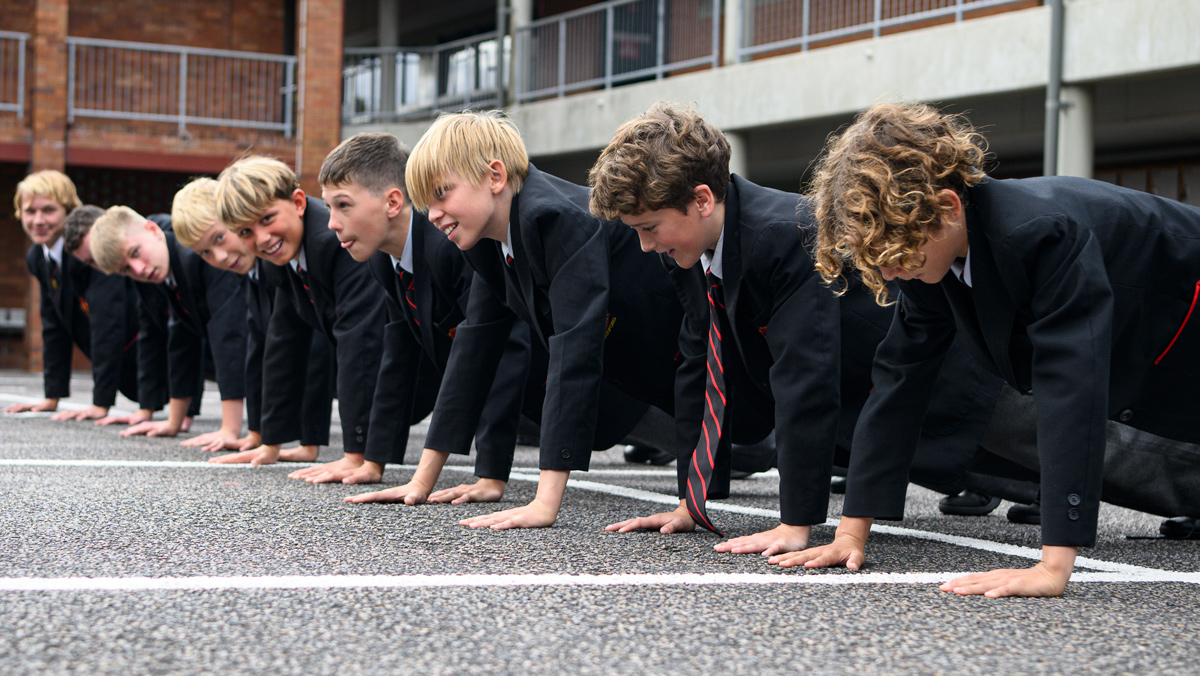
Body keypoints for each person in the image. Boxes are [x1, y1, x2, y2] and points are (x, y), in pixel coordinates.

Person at [790, 101, 1200, 597]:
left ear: (947, 207)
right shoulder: (933, 254)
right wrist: (850, 534)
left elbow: (1069, 387)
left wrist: (1052, 567)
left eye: (895, 253)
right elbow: (899, 379)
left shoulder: (1041, 233)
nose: (888, 272)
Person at [590, 102, 1004, 553]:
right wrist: (691, 502)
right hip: (874, 414)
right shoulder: (689, 249)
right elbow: (699, 366)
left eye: (649, 228)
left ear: (702, 200)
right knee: (991, 477)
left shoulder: (783, 234)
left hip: (960, 393)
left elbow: (804, 377)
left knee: (1053, 466)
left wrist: (795, 523)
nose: (645, 246)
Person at [404, 111, 683, 529]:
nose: (432, 214)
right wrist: (420, 483)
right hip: (634, 374)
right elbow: (474, 348)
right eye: (426, 203)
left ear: (495, 176)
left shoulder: (554, 217)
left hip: (678, 359)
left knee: (753, 442)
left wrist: (544, 504)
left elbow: (574, 348)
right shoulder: (485, 237)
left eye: (441, 193)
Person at [312, 132, 538, 504]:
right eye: (329, 207)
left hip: (552, 384)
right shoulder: (383, 261)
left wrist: (491, 475)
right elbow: (398, 357)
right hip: (516, 396)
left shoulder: (452, 245)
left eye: (343, 205)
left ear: (392, 201)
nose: (332, 223)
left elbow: (502, 348)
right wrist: (374, 461)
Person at [213, 156, 385, 482]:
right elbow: (283, 343)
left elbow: (359, 340)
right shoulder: (278, 258)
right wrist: (270, 442)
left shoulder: (334, 239)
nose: (262, 238)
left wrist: (357, 455)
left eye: (267, 219)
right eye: (246, 231)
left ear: (298, 202)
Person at [169, 177, 336, 460]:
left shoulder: (279, 262)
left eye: (220, 238)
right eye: (204, 252)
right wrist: (260, 435)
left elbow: (311, 349)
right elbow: (260, 353)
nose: (220, 257)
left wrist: (309, 442)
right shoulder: (254, 273)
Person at [90, 206, 246, 442]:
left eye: (135, 252)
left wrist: (230, 429)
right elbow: (181, 342)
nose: (139, 269)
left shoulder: (196, 255)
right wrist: (173, 421)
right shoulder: (166, 270)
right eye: (126, 269)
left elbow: (228, 333)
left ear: (153, 230)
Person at [4, 175, 144, 423]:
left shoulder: (91, 250)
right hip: (127, 370)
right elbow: (54, 326)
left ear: (69, 211)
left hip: (149, 358)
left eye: (49, 210)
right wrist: (52, 397)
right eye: (30, 211)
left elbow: (107, 324)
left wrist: (100, 403)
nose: (38, 220)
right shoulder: (37, 257)